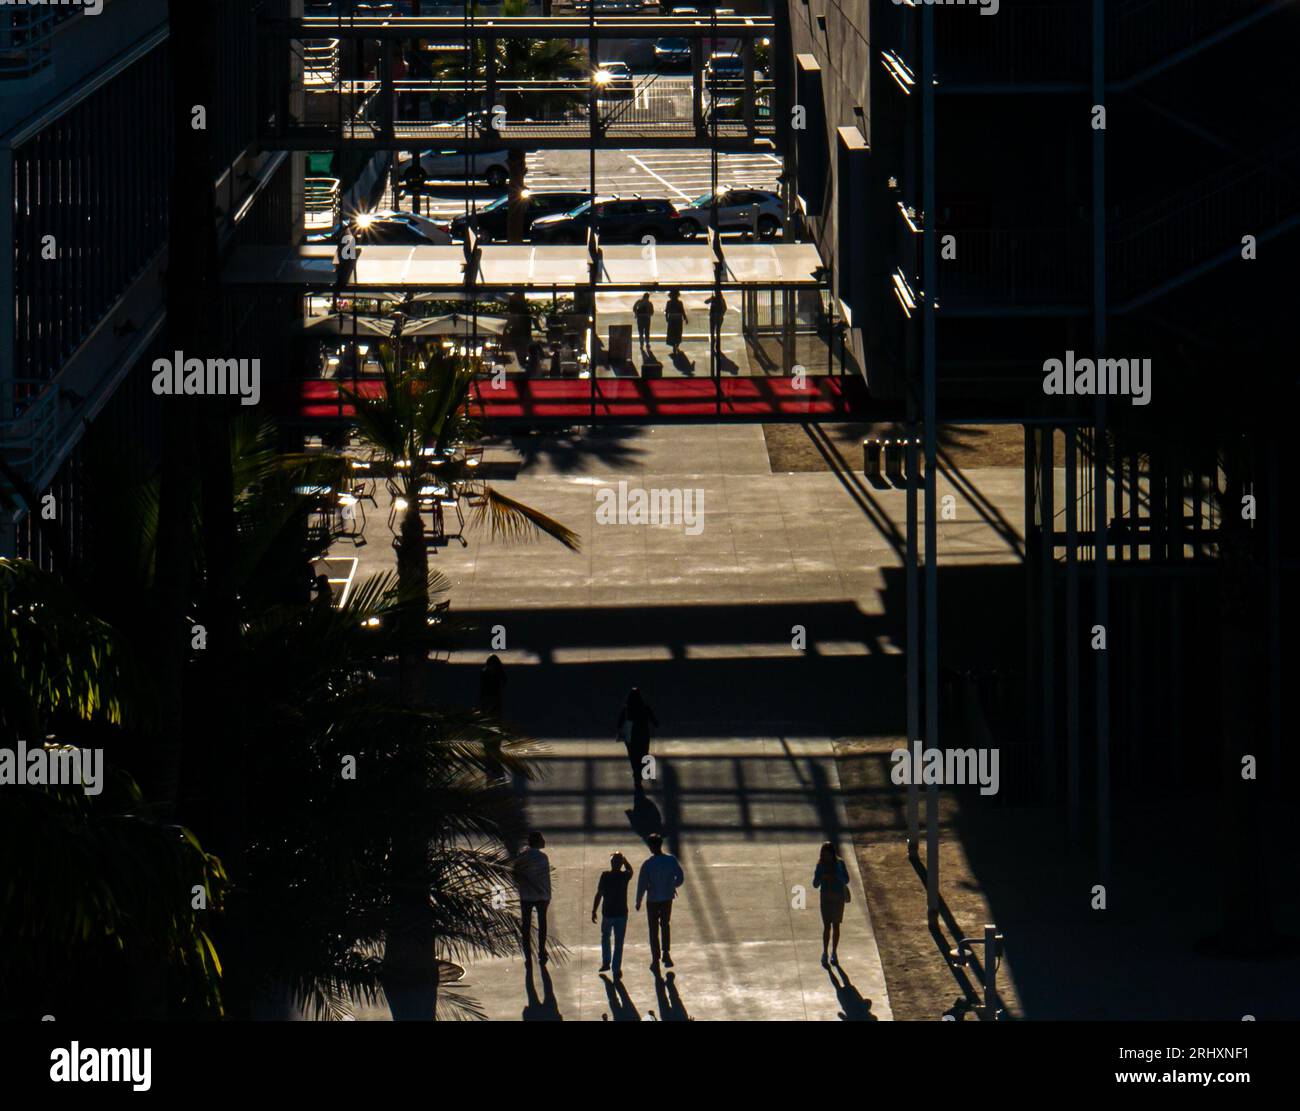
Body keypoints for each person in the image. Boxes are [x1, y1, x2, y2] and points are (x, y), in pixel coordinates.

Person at [635, 833, 684, 970]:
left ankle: (655, 958)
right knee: (665, 925)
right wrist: (672, 885)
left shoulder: (648, 864)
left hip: (653, 900)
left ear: (651, 847)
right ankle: (666, 953)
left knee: (653, 929)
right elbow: (680, 878)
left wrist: (638, 900)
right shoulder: (671, 860)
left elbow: (642, 884)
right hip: (667, 898)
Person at [591, 851, 634, 977]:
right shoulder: (624, 876)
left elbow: (599, 894)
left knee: (605, 937)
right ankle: (616, 968)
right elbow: (631, 870)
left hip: (608, 912)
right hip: (621, 913)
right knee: (619, 941)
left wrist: (594, 910)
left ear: (611, 863)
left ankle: (606, 962)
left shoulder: (605, 876)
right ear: (621, 864)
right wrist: (625, 861)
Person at [514, 831, 552, 965]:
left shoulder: (522, 857)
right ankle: (542, 950)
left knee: (526, 925)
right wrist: (548, 896)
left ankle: (527, 954)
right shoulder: (543, 858)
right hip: (542, 895)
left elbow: (516, 875)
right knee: (542, 924)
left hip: (526, 895)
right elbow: (546, 879)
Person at [812, 841, 850, 967]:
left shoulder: (840, 864)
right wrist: (822, 877)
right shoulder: (820, 865)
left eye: (828, 855)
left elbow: (846, 879)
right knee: (827, 926)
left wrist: (835, 875)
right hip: (826, 898)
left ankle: (834, 952)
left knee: (836, 926)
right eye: (824, 855)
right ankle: (825, 952)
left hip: (838, 898)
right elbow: (815, 884)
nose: (826, 857)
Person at [616, 687, 659, 792]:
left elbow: (619, 724)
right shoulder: (645, 708)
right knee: (643, 754)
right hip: (643, 736)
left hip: (631, 737)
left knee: (633, 757)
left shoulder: (626, 710)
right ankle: (643, 772)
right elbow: (655, 722)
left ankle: (637, 777)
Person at [479, 653, 506, 717]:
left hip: (493, 698)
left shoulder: (497, 674)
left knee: (493, 715)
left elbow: (504, 681)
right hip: (488, 698)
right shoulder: (486, 673)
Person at [664, 290, 687, 354]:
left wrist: (666, 317)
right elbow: (682, 311)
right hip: (678, 318)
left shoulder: (669, 302)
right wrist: (685, 318)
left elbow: (666, 311)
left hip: (671, 318)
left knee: (672, 332)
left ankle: (674, 345)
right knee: (678, 332)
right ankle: (677, 344)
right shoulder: (680, 303)